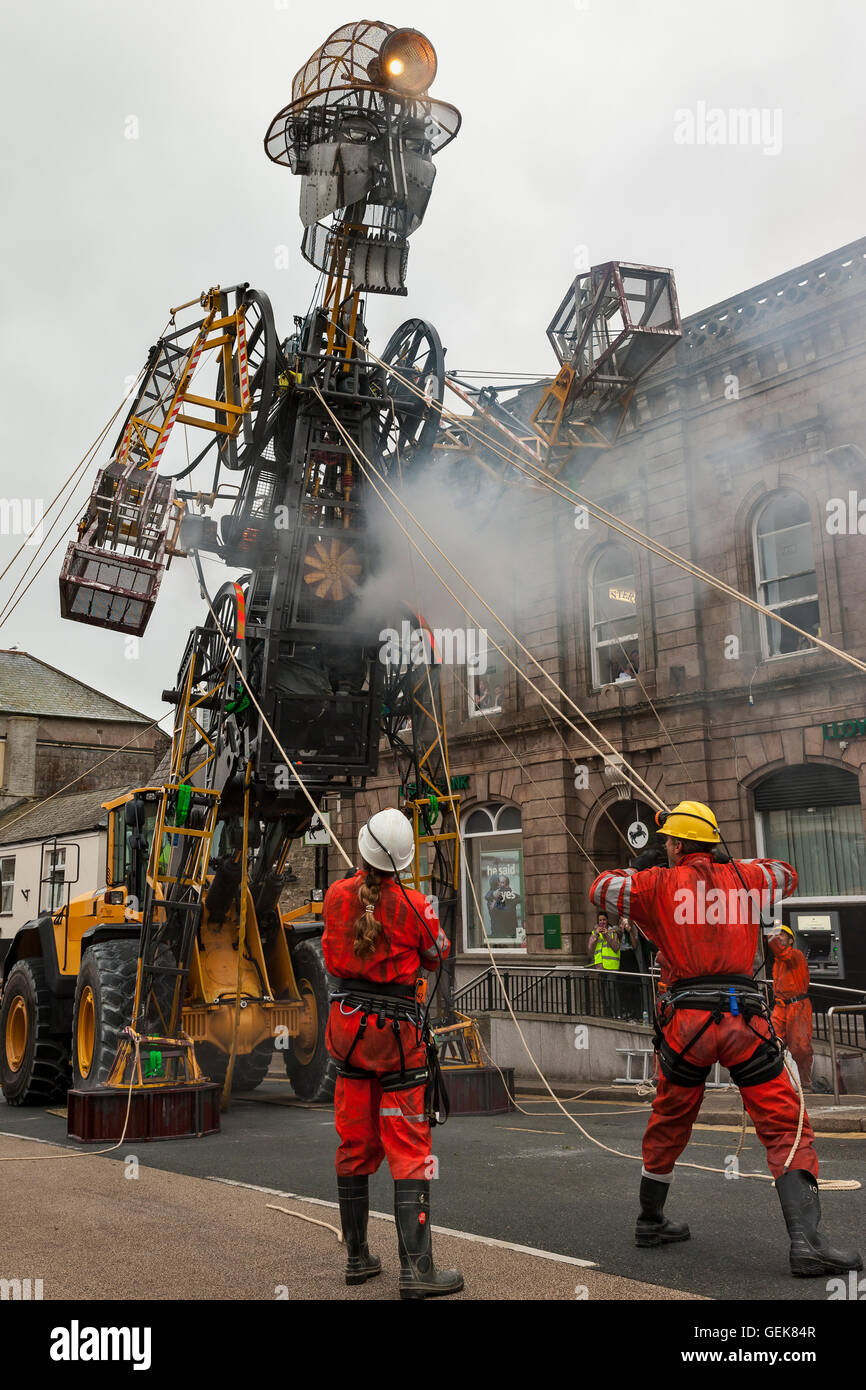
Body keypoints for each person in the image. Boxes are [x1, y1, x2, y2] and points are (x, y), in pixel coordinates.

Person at [590, 799, 861, 1278]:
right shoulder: (746, 878)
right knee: (784, 1122)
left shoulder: (657, 884)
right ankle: (807, 1242)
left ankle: (650, 1221)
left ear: (675, 844)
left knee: (670, 1119)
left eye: (669, 842)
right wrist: (733, 865)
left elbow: (601, 889)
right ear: (712, 843)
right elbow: (787, 873)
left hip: (686, 1028)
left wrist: (647, 870)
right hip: (743, 1022)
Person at [322, 807, 463, 1300]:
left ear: (361, 849)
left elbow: (332, 953)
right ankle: (416, 1269)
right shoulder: (415, 904)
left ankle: (357, 1257)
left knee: (355, 1139)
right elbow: (438, 953)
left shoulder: (337, 897)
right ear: (403, 861)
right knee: (409, 1147)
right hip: (396, 1041)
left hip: (349, 1036)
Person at [769, 921, 814, 1091]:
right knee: (772, 1043)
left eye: (782, 934)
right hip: (781, 1006)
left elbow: (782, 954)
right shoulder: (778, 960)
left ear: (790, 940)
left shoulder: (795, 955)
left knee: (800, 1047)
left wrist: (769, 934)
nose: (778, 936)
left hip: (798, 1006)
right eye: (776, 934)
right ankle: (776, 1082)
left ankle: (806, 1083)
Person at [588, 911, 622, 1018]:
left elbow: (616, 947)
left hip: (612, 967)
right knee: (603, 992)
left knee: (611, 990)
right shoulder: (594, 933)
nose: (602, 922)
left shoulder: (613, 932)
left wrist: (606, 936)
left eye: (604, 920)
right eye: (600, 920)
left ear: (607, 921)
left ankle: (617, 1015)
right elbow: (590, 949)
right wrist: (596, 936)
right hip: (600, 967)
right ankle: (608, 1015)